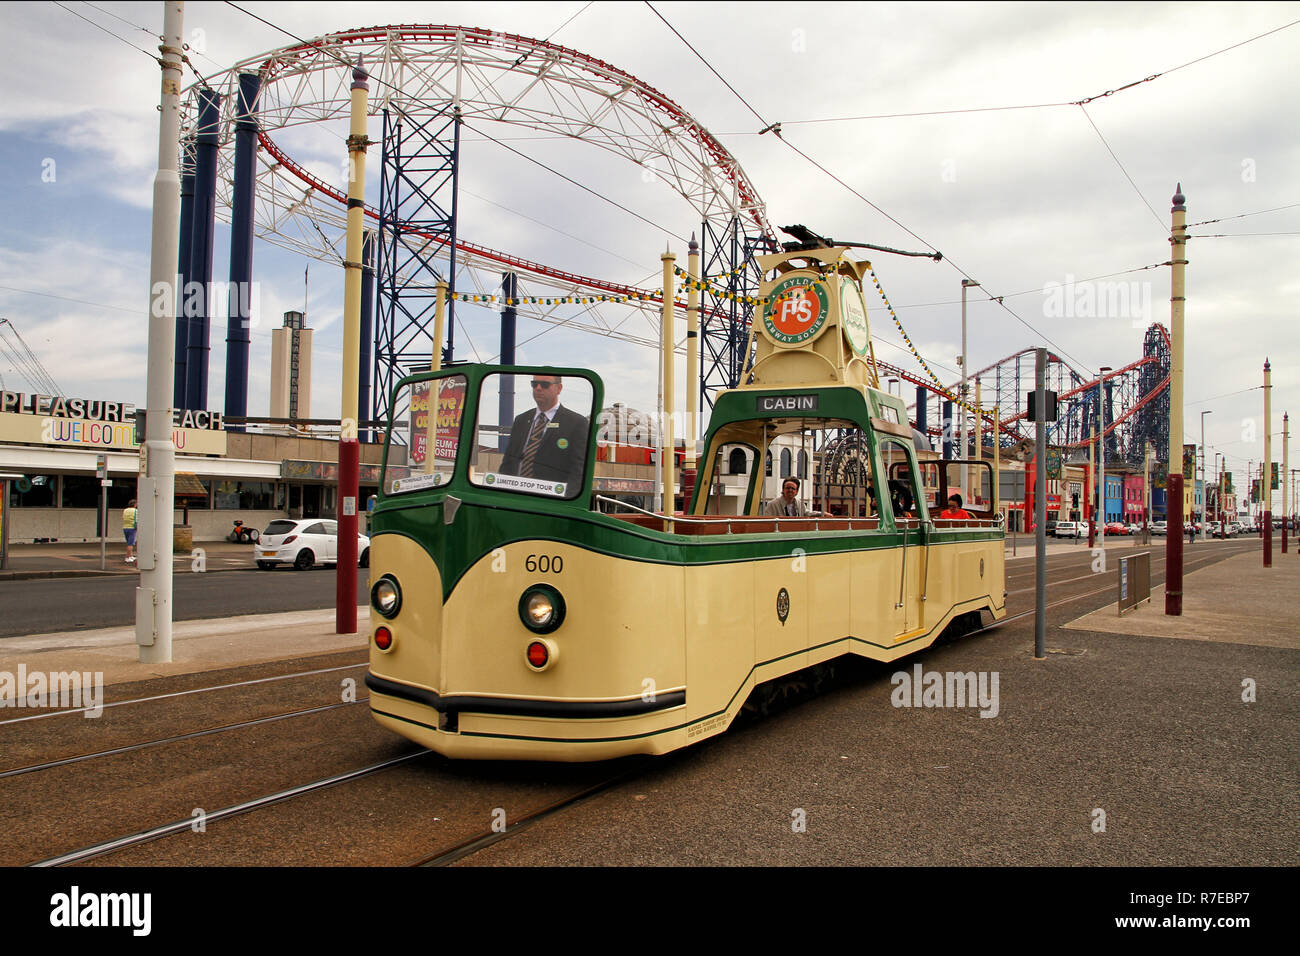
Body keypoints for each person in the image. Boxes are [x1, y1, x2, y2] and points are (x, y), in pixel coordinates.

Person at [498, 374, 589, 488]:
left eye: (545, 385)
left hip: (550, 495)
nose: (538, 388)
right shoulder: (521, 420)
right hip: (515, 492)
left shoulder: (576, 423)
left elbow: (578, 470)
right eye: (534, 384)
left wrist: (566, 496)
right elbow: (508, 462)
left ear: (559, 388)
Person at [122, 498, 138, 564]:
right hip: (132, 528)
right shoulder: (136, 511)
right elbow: (137, 519)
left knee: (128, 542)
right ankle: (128, 557)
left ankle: (131, 556)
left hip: (125, 527)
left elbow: (123, 518)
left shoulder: (125, 510)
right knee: (130, 544)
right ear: (135, 504)